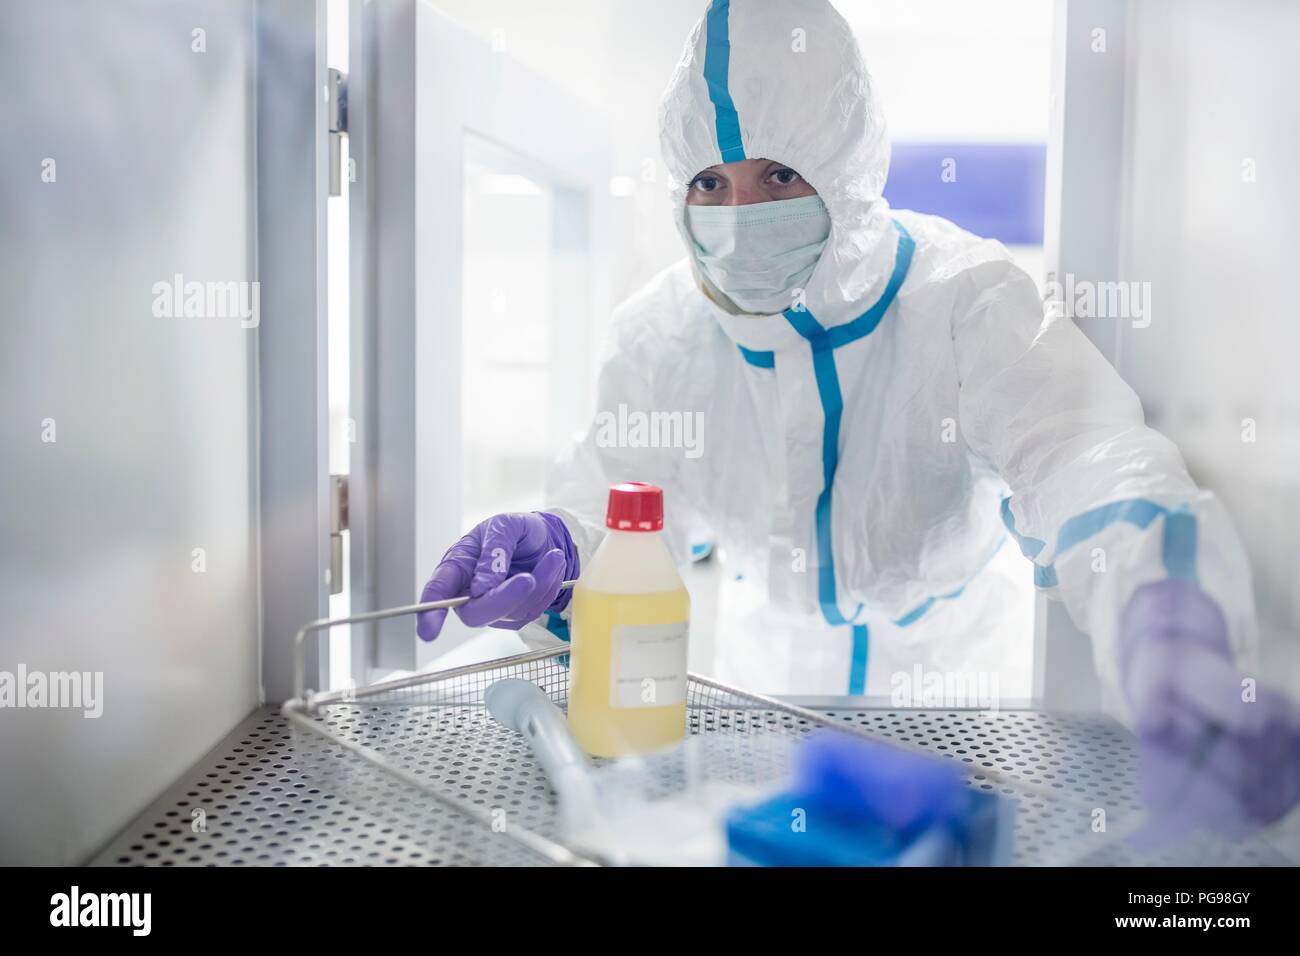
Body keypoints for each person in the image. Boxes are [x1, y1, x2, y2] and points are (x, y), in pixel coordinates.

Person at [417, 0, 1299, 840]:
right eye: (710, 182)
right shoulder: (662, 338)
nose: (740, 216)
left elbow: (1085, 460)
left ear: (844, 164)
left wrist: (1170, 620)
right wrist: (560, 548)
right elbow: (622, 512)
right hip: (763, 702)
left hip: (960, 705)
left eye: (779, 175)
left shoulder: (963, 302)